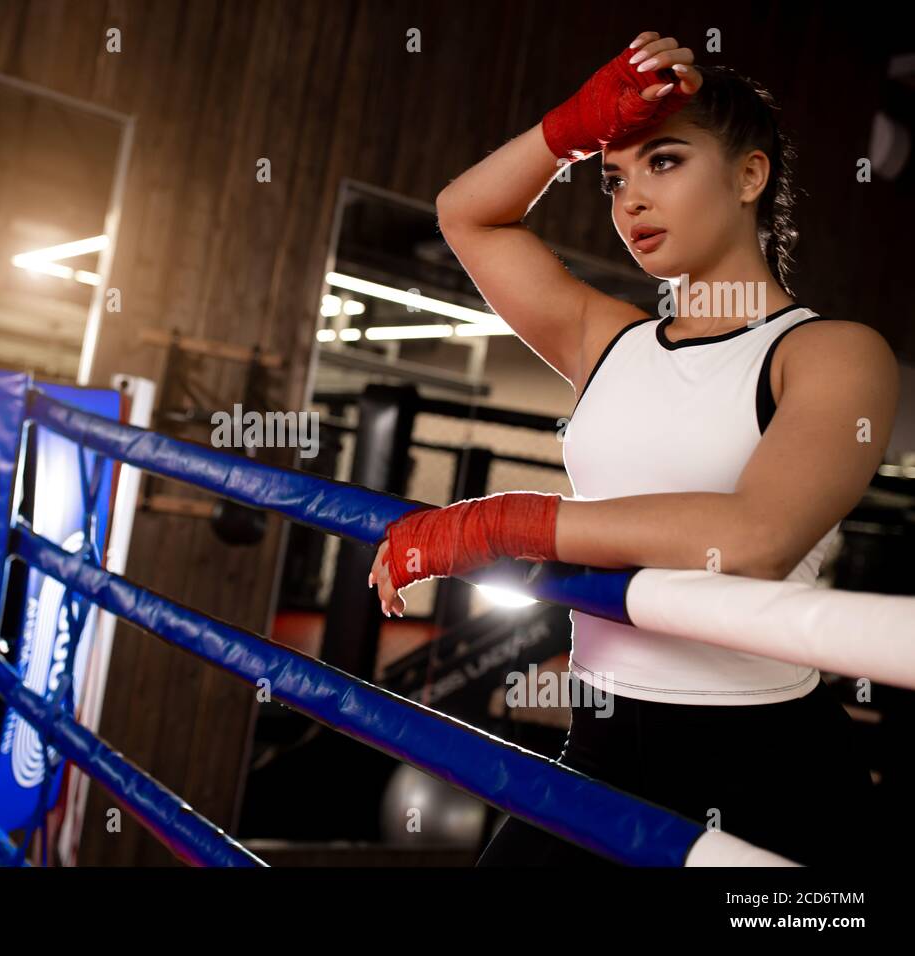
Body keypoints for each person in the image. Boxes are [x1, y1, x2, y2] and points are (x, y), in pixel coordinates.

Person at [367, 31, 898, 866]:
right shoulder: (604, 339)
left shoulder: (828, 351)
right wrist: (569, 131)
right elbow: (464, 213)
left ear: (750, 176)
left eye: (665, 163)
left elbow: (756, 538)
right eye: (613, 178)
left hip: (766, 768)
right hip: (604, 738)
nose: (630, 202)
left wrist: (506, 524)